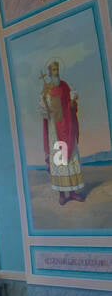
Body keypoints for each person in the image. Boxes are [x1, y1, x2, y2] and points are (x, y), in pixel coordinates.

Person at [41, 60, 85, 204]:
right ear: (49, 72)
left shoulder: (66, 86)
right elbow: (44, 113)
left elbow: (71, 106)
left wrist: (72, 104)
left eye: (57, 69)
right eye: (53, 70)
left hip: (68, 127)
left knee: (70, 158)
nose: (56, 72)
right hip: (55, 131)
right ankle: (62, 194)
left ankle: (72, 193)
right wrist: (45, 107)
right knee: (59, 160)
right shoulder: (46, 91)